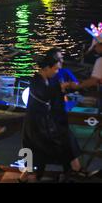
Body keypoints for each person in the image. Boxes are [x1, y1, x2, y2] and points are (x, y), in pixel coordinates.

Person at [19, 53, 87, 183]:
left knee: (63, 141)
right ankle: (72, 170)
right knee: (36, 149)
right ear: (46, 68)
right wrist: (60, 87)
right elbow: (44, 94)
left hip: (46, 122)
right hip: (35, 123)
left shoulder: (50, 79)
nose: (57, 72)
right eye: (55, 69)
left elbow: (54, 96)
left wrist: (67, 88)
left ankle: (71, 170)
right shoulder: (36, 80)